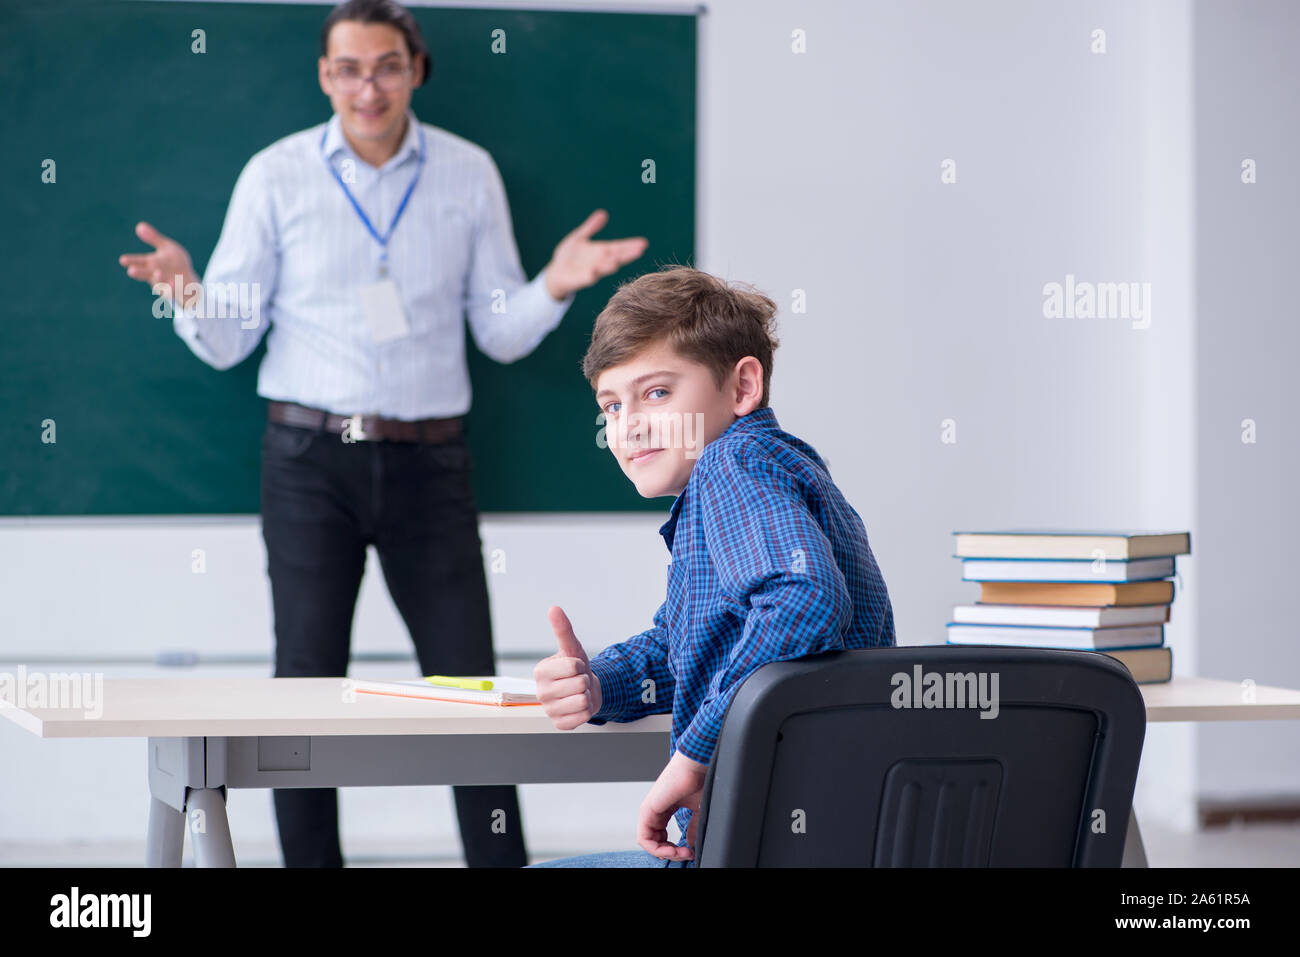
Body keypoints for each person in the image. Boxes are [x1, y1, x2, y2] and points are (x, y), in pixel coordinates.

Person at [117, 0, 646, 867]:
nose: (369, 87)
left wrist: (554, 282)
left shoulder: (468, 173)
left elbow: (501, 331)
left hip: (430, 460)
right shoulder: (276, 174)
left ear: (417, 69)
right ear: (325, 75)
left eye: (387, 66)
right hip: (306, 459)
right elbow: (228, 338)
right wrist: (184, 290)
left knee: (471, 687)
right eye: (350, 68)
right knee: (306, 693)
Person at [529, 267, 895, 867]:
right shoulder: (769, 471)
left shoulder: (732, 465)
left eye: (657, 393)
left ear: (742, 387)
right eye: (611, 405)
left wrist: (696, 753)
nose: (629, 425)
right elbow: (694, 649)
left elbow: (805, 603)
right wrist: (599, 684)